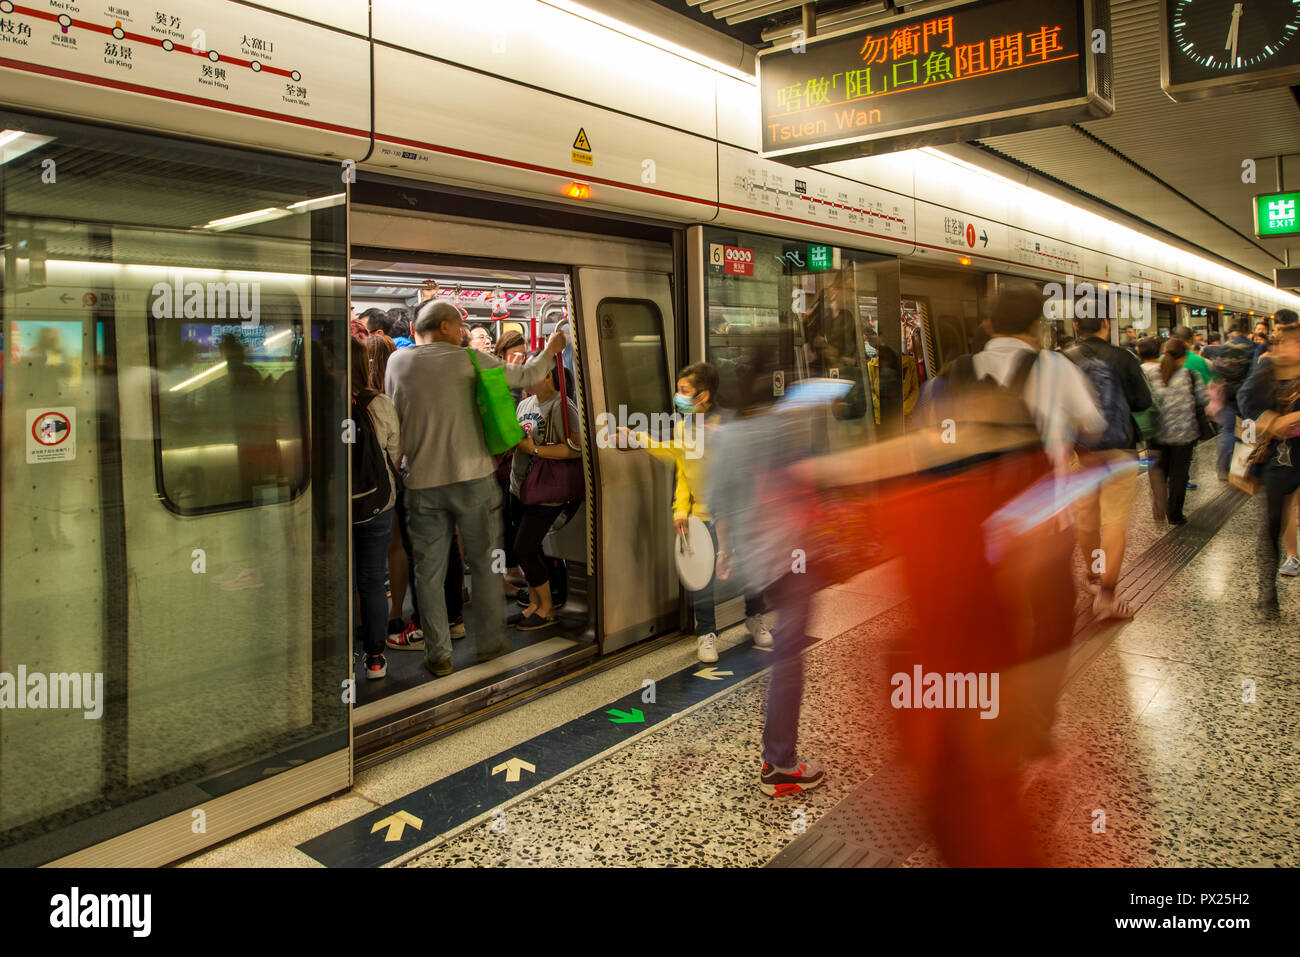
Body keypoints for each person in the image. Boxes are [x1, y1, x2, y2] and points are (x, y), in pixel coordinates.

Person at [385, 300, 567, 676]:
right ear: (449, 327)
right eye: (461, 327)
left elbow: (394, 420)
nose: (465, 333)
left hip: (421, 482)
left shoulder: (397, 363)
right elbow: (527, 373)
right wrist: (552, 348)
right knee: (484, 564)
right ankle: (489, 644)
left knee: (429, 571)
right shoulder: (471, 360)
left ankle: (438, 653)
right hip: (473, 480)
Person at [707, 352, 824, 797]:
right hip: (791, 553)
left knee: (783, 653)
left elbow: (719, 501)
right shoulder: (778, 427)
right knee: (789, 656)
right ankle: (779, 762)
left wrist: (727, 551)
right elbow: (809, 477)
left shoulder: (726, 437)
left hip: (757, 559)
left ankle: (777, 751)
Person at [613, 362, 773, 663]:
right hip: (702, 513)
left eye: (684, 391)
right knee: (703, 575)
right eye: (678, 390)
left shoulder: (725, 426)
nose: (678, 396)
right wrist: (680, 509)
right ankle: (707, 633)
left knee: (750, 567)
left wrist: (636, 437)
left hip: (736, 510)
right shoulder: (685, 426)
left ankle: (755, 616)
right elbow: (683, 468)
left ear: (704, 395)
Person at [1067, 313, 1154, 619]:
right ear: (1106, 324)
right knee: (1114, 521)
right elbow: (1143, 402)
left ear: (1075, 326)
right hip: (1120, 450)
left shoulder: (1064, 359)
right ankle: (1106, 597)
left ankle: (1092, 576)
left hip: (1081, 452)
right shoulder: (1124, 357)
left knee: (1087, 518)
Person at [509, 363, 582, 630]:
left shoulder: (563, 407)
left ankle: (548, 609)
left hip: (546, 490)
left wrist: (536, 450)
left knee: (524, 549)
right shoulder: (524, 405)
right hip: (519, 486)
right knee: (530, 548)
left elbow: (576, 449)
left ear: (549, 375)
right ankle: (535, 603)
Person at [1239, 323, 1300, 618]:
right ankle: (1267, 594)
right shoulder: (1266, 371)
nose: (1292, 349)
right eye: (1289, 343)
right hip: (1278, 458)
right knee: (1273, 521)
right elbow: (1246, 400)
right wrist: (1268, 420)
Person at [350, 338, 401, 679]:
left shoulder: (318, 401)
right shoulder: (378, 402)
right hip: (376, 504)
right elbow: (395, 451)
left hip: (336, 509)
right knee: (371, 579)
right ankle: (375, 658)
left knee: (338, 579)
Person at [1141, 338, 1208, 525]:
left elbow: (1143, 399)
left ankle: (1158, 509)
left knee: (1158, 473)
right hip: (1183, 435)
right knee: (1179, 475)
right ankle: (1175, 515)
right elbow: (1203, 401)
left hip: (1156, 434)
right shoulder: (1191, 376)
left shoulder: (1152, 374)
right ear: (1184, 357)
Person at [1205, 325, 1259, 480]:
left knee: (1227, 431)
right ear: (1247, 333)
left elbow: (1216, 369)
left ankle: (1223, 468)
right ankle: (1240, 469)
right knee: (1247, 432)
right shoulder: (1252, 348)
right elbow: (1255, 372)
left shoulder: (1223, 349)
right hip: (1246, 395)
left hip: (1226, 394)